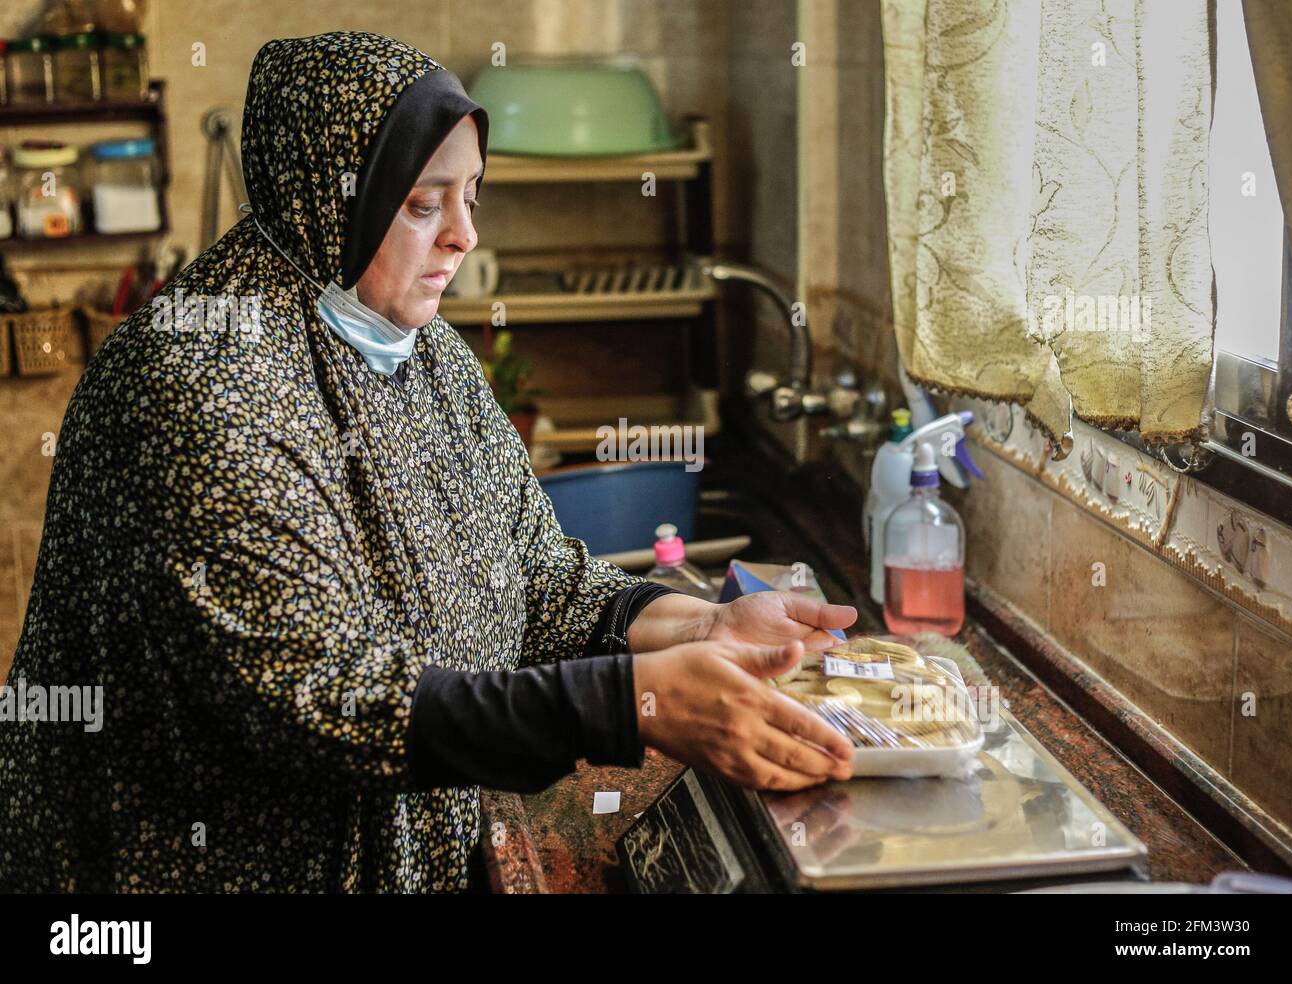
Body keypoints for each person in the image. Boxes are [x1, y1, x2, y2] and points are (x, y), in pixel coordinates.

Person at [0, 31, 855, 894]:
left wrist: (696, 626)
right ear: (327, 202)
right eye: (422, 204)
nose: (463, 234)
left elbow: (532, 574)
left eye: (472, 195)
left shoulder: (421, 352)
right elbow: (326, 698)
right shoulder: (196, 378)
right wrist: (639, 702)